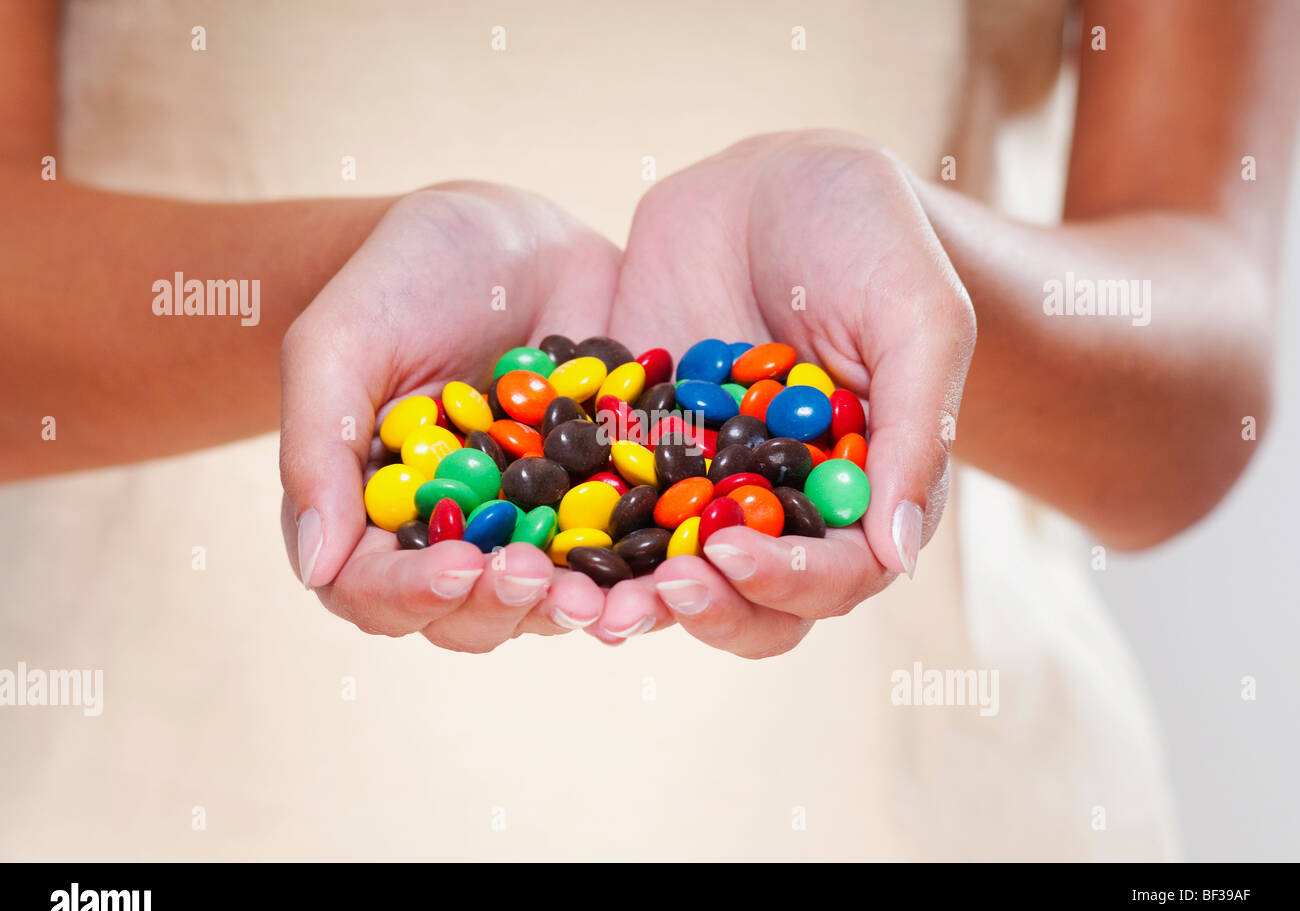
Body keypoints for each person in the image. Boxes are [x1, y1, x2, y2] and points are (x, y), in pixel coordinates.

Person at [1, 0, 1293, 860]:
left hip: (936, 813)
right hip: (160, 814)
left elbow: (1209, 376)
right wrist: (336, 299)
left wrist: (912, 289)